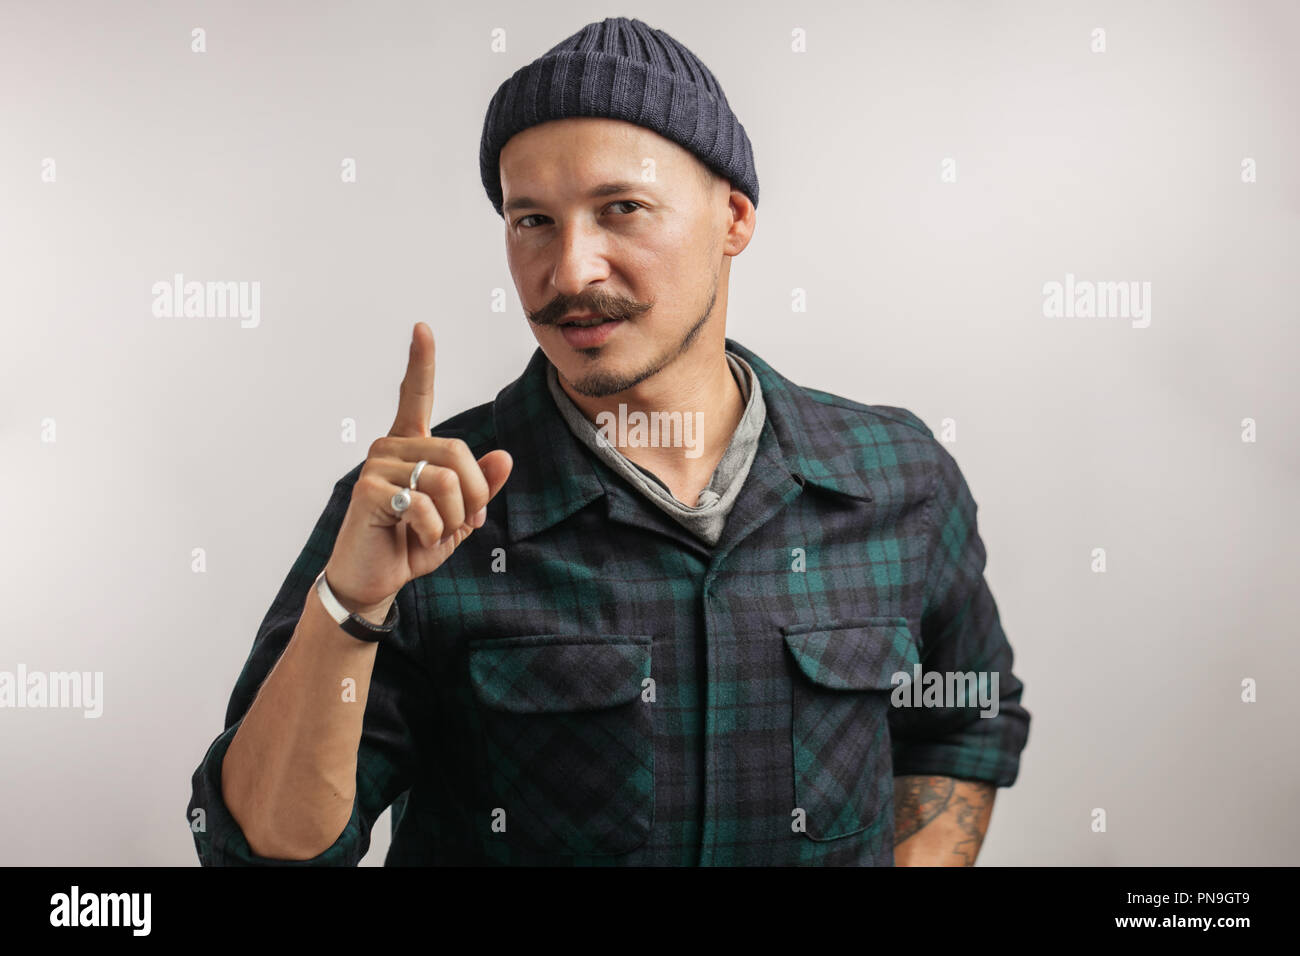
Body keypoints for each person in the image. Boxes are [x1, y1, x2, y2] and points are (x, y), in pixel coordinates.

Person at [187, 16, 1030, 866]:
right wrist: (351, 606)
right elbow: (257, 851)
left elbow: (962, 717)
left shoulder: (899, 478)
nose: (571, 271)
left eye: (620, 209)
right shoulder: (419, 516)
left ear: (732, 217)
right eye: (533, 223)